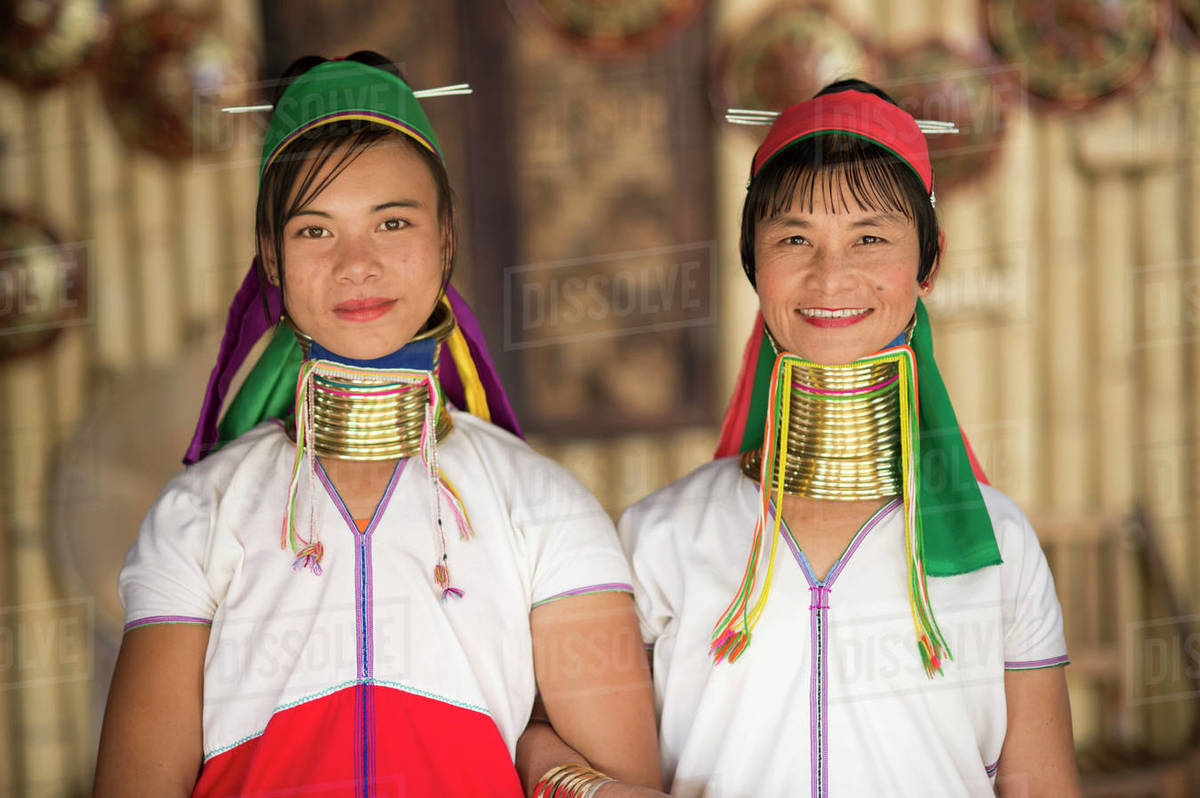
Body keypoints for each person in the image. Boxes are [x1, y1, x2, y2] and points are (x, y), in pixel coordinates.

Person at [93, 52, 661, 798]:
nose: (357, 264)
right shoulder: (200, 512)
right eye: (315, 231)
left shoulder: (543, 506)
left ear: (445, 239)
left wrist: (534, 754)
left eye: (392, 221)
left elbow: (619, 784)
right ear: (271, 257)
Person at [618, 80, 1083, 797]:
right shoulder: (660, 537)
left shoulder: (1001, 545)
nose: (831, 276)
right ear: (754, 265)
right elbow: (558, 736)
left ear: (928, 264)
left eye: (870, 237)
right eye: (794, 238)